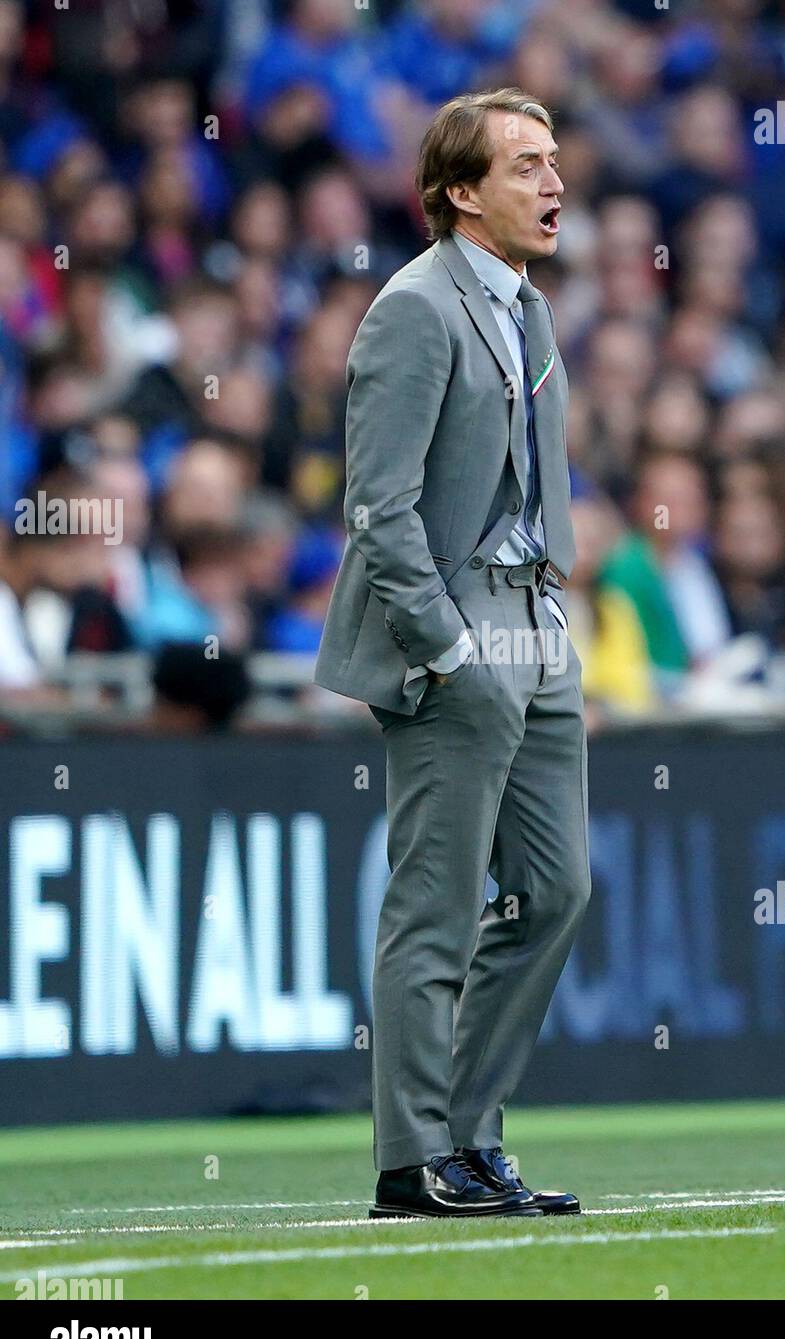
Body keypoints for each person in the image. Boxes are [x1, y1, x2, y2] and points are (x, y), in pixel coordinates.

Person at [315, 89, 589, 1219]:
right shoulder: (414, 309)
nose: (553, 182)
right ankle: (410, 1159)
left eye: (554, 160)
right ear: (459, 193)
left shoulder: (525, 307)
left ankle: (469, 1137)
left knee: (556, 887)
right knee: (434, 900)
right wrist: (444, 647)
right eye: (525, 166)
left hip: (537, 621)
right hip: (459, 627)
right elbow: (379, 509)